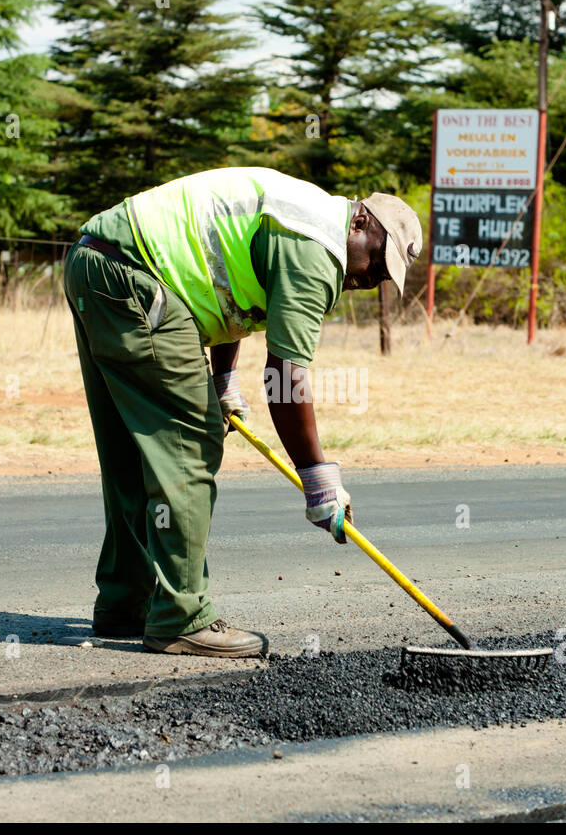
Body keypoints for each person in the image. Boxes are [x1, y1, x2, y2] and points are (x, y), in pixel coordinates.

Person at [62, 166, 421, 658]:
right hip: (136, 276)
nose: (368, 279)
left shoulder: (299, 218)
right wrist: (318, 477)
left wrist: (222, 380)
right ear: (359, 223)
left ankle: (127, 604)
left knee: (135, 444)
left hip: (96, 263)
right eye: (377, 262)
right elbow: (285, 378)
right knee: (191, 441)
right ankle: (180, 618)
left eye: (382, 278)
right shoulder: (317, 246)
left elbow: (222, 289)